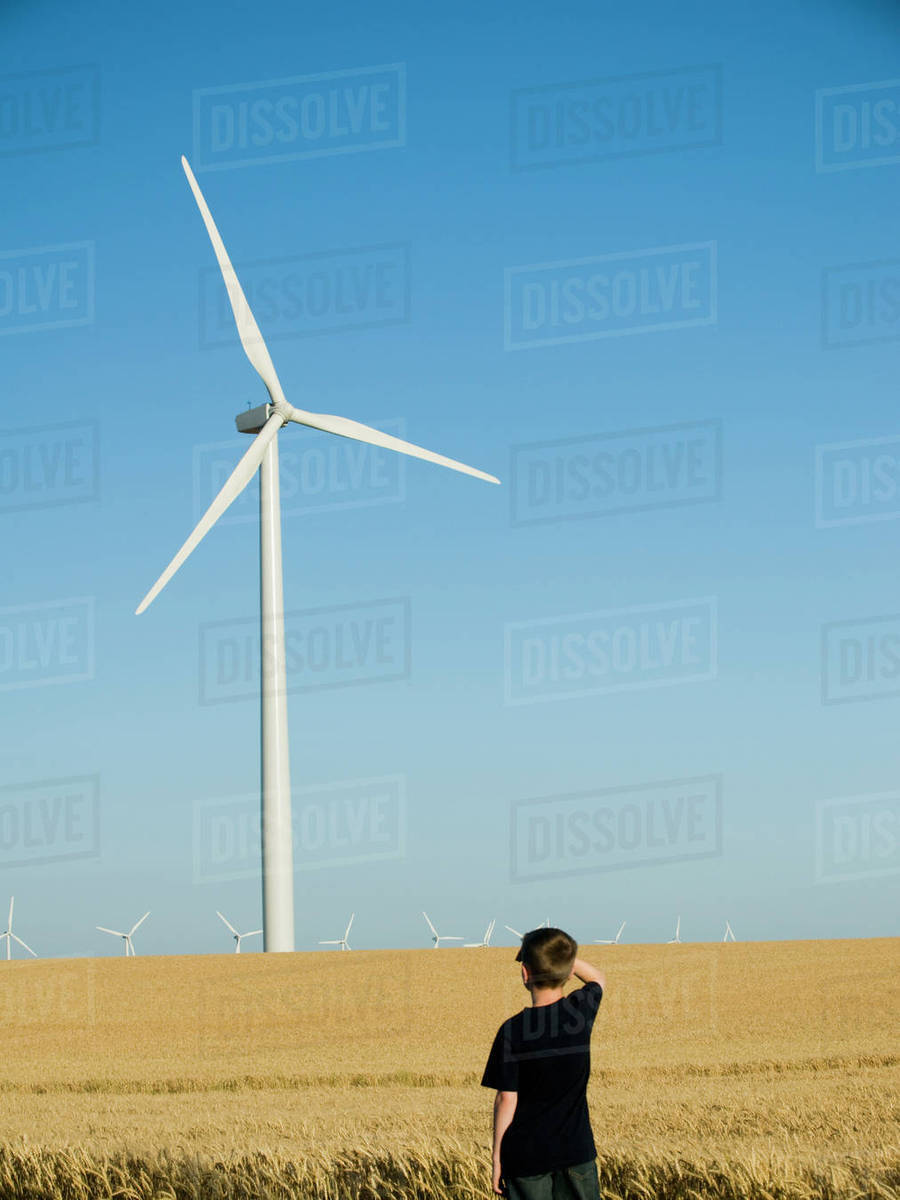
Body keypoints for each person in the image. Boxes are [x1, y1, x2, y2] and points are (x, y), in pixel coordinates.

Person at [481, 927, 606, 1200]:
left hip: (526, 1158)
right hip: (576, 1153)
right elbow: (597, 978)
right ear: (568, 972)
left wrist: (497, 1159)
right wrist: (563, 961)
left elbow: (506, 1100)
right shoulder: (579, 1013)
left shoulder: (512, 1030)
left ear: (525, 973)